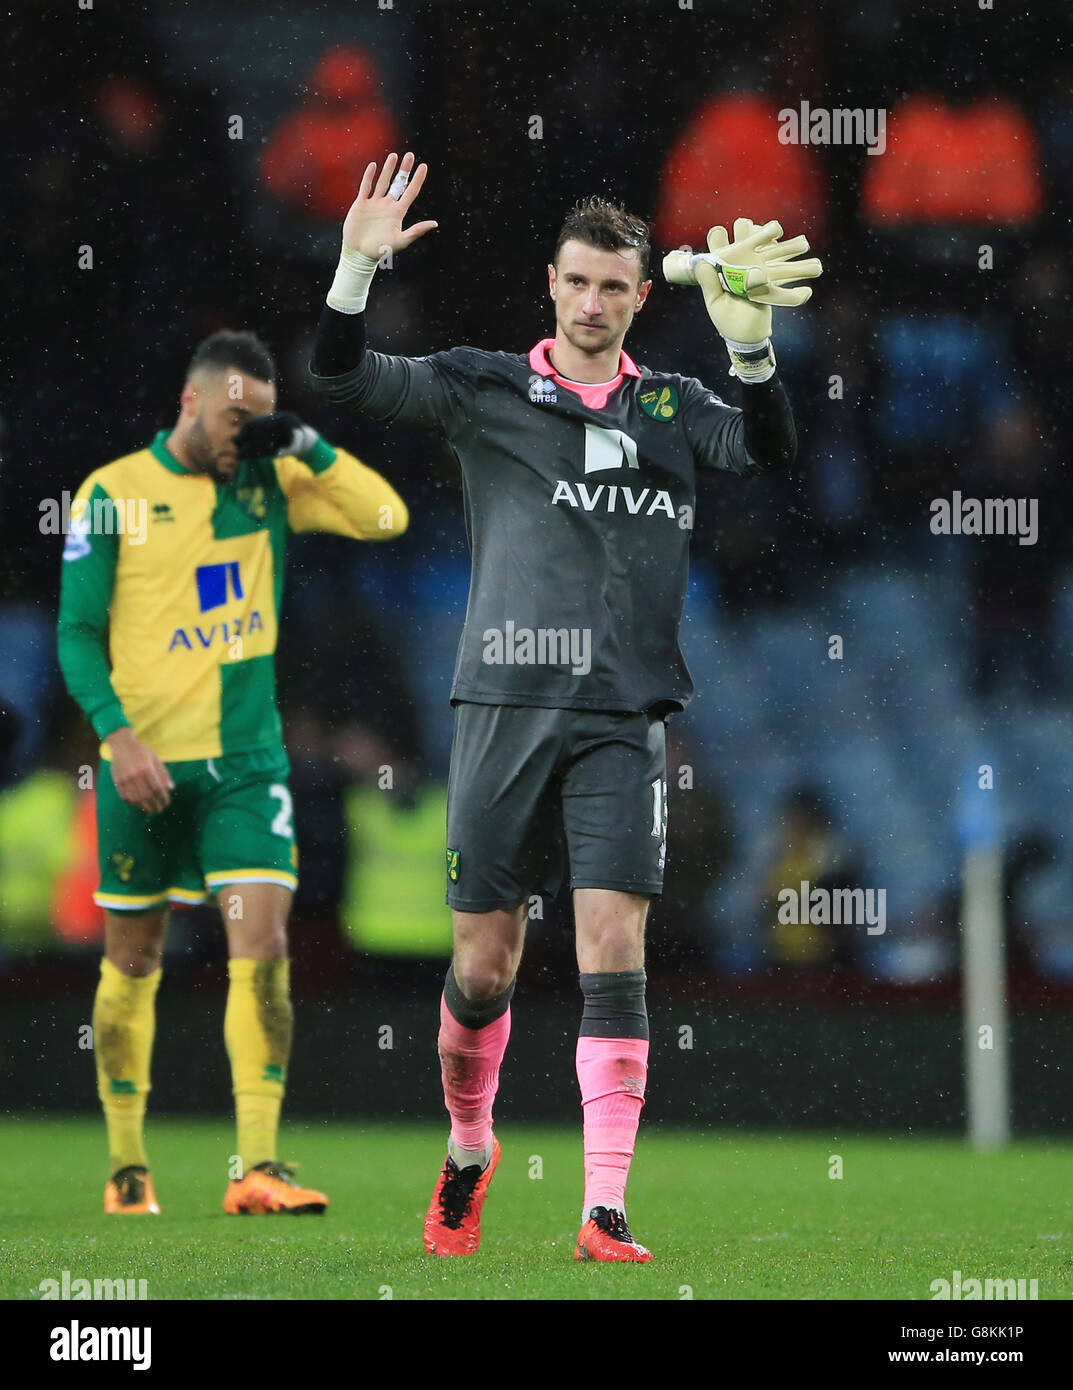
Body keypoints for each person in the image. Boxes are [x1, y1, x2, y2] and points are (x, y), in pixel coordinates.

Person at [309, 152, 820, 1262]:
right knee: (484, 969)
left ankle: (602, 1206)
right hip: (499, 705)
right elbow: (341, 380)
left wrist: (749, 346)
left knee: (611, 949)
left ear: (643, 297)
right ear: (550, 284)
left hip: (619, 717)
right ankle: (468, 1145)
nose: (592, 304)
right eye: (576, 283)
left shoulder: (676, 406)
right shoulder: (480, 386)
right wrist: (352, 270)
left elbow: (771, 448)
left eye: (613, 287)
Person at [57, 330, 408, 1216]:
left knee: (264, 948)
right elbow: (75, 634)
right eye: (228, 416)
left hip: (248, 768)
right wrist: (118, 739)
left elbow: (383, 517)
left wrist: (309, 445)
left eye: (254, 419)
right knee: (132, 957)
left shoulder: (269, 481)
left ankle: (257, 1165)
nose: (236, 434)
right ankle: (128, 1166)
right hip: (144, 769)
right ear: (189, 400)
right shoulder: (113, 495)